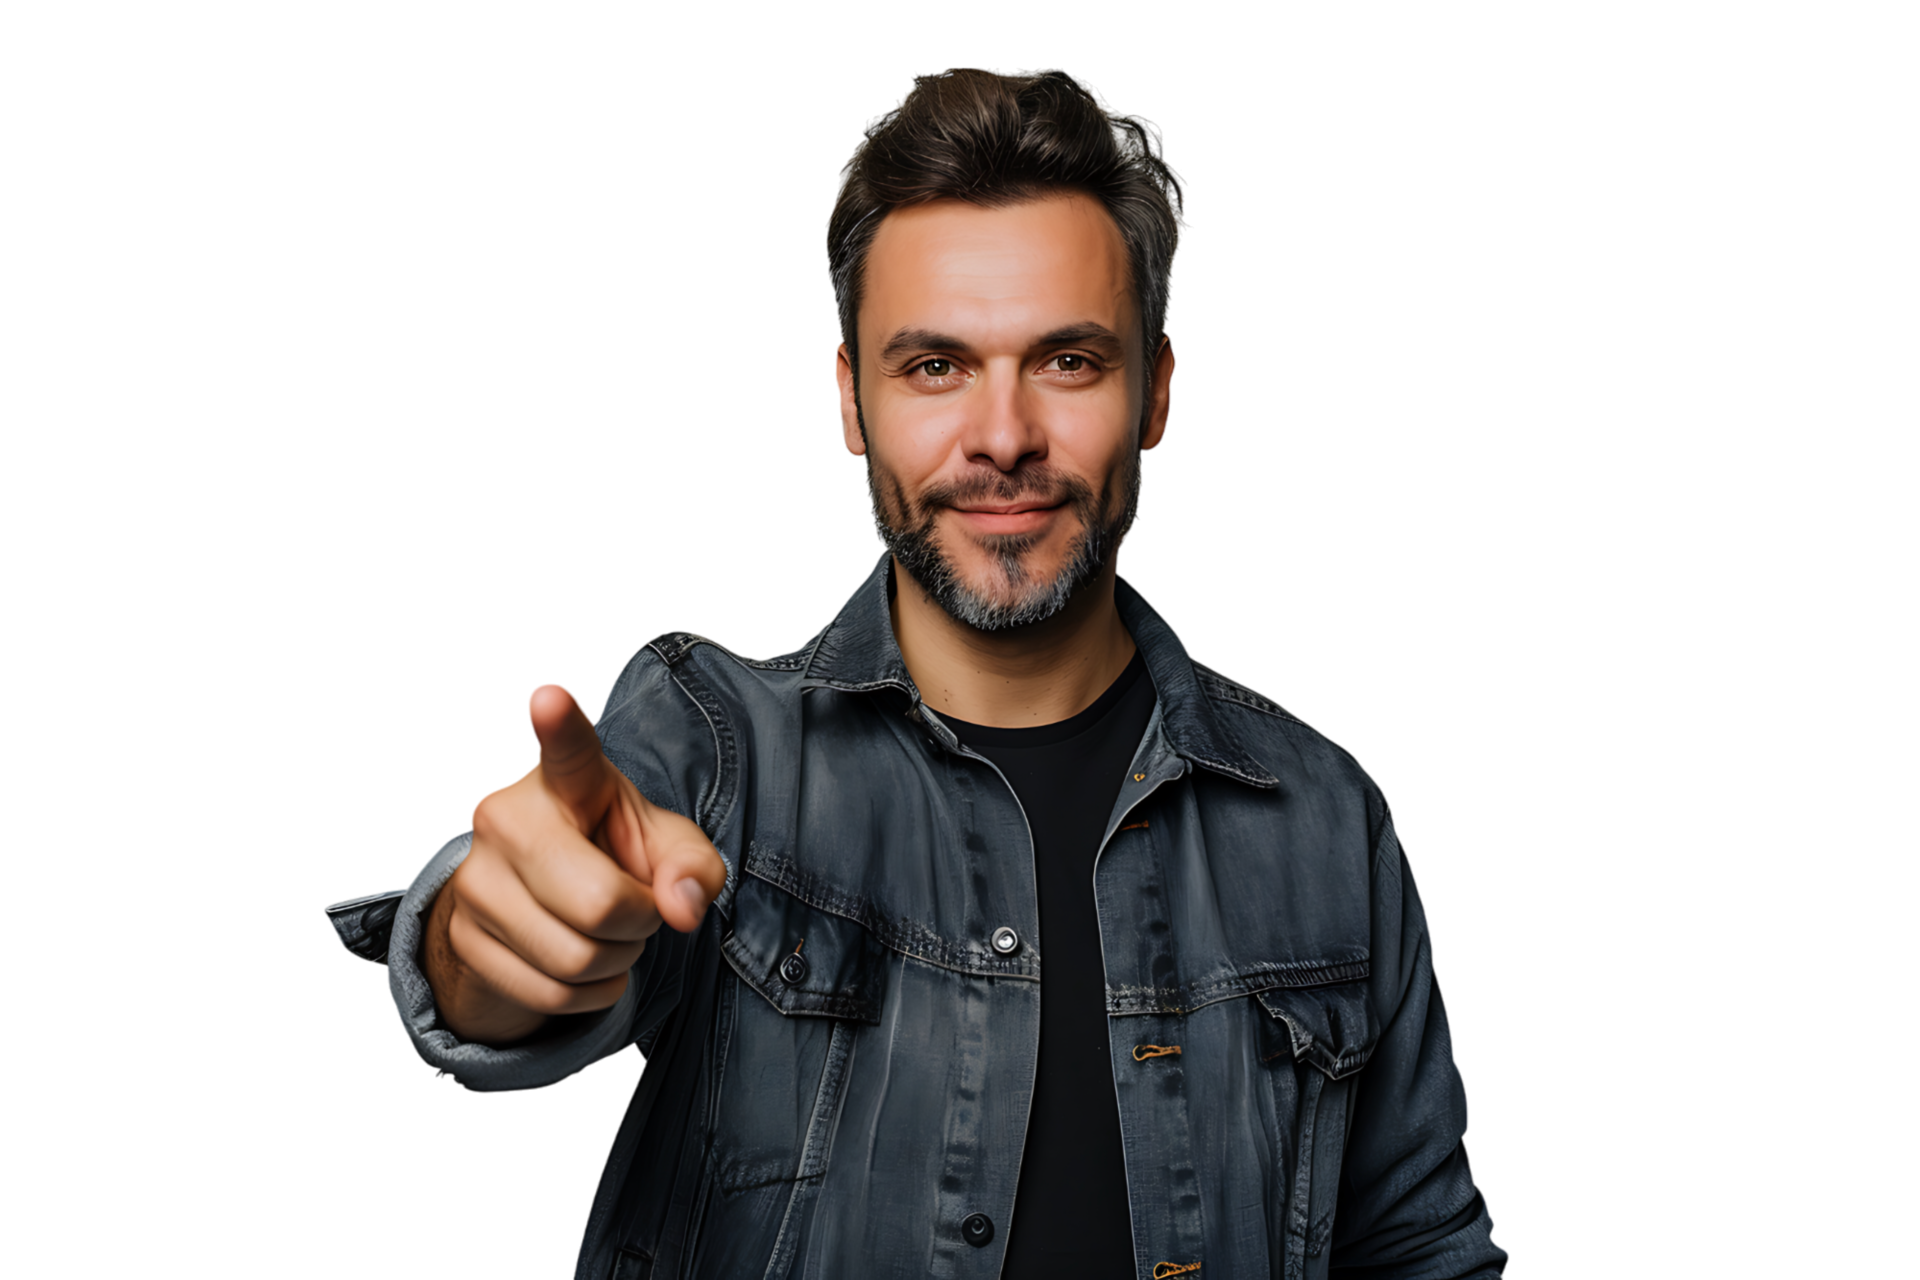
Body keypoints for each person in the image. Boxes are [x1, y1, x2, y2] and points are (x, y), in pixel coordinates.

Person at [321, 65, 1509, 1280]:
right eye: (935, 366)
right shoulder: (716, 742)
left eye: (1069, 361)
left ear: (1157, 391)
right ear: (850, 399)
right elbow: (512, 934)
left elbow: (1422, 1244)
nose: (1002, 437)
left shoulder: (1325, 817)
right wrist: (490, 941)